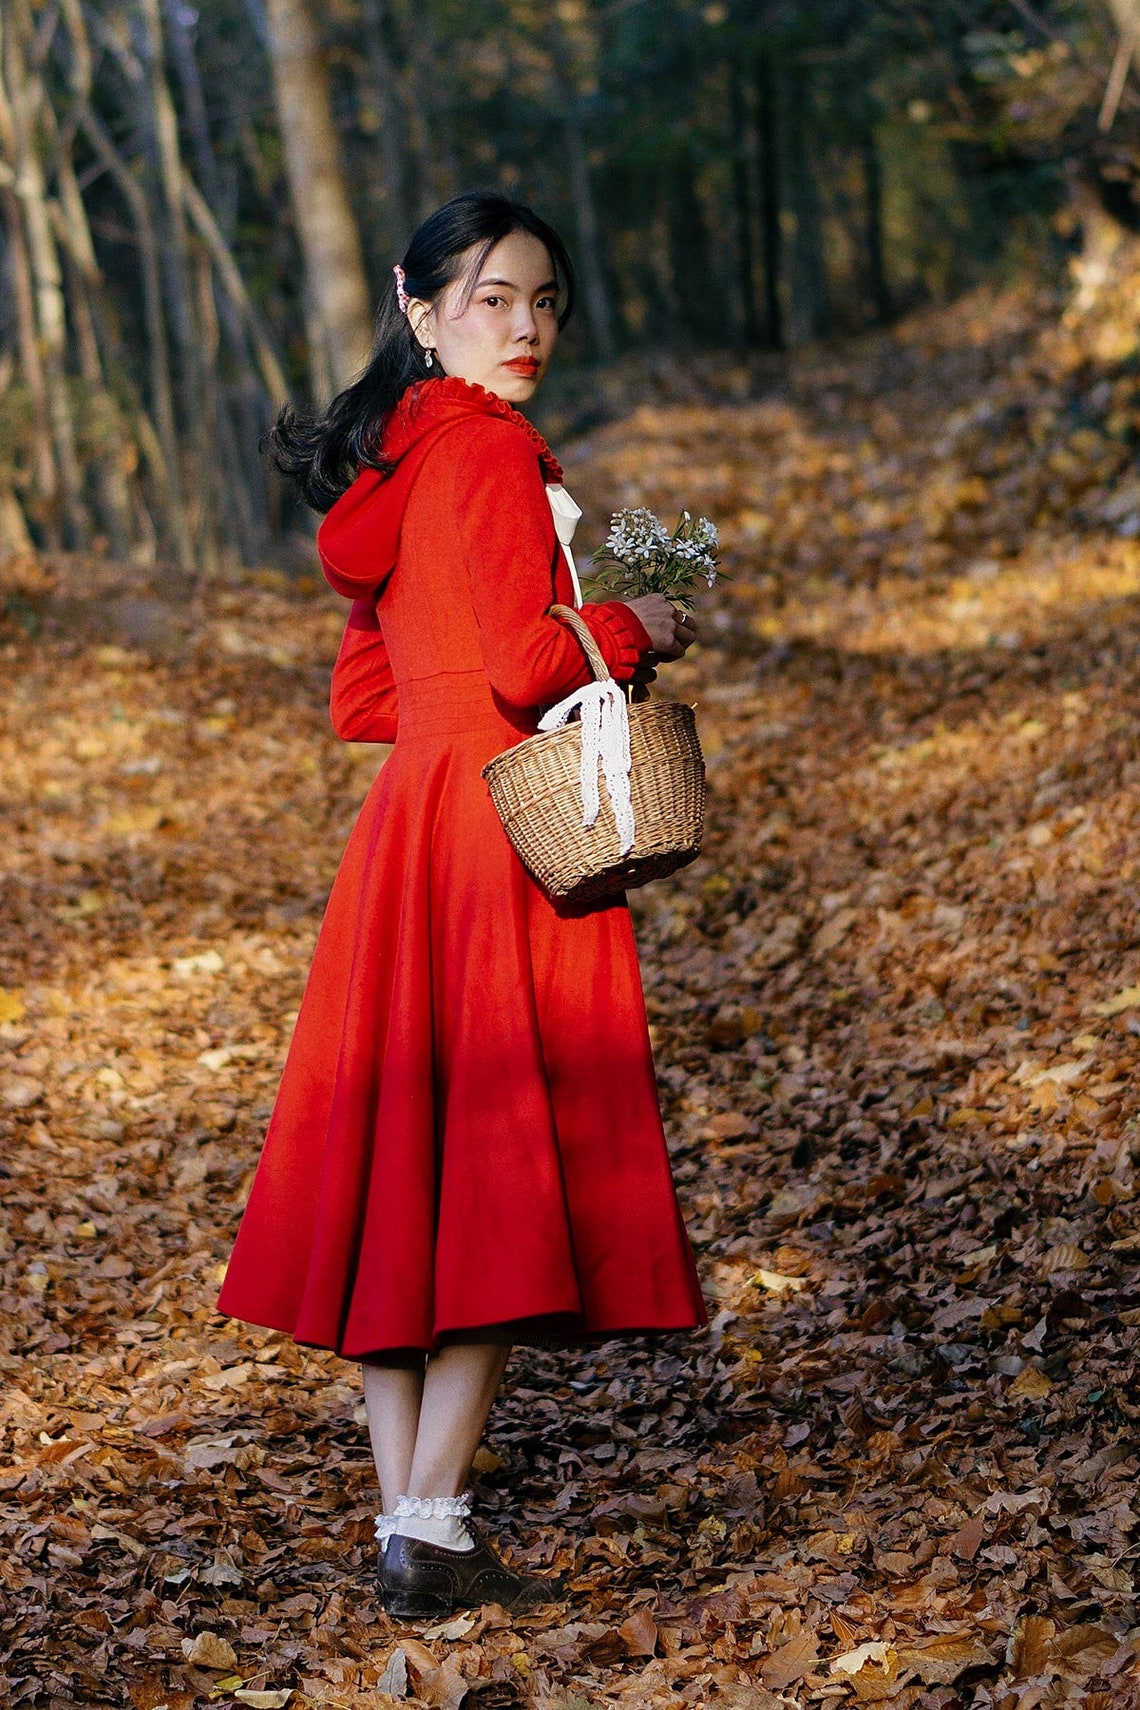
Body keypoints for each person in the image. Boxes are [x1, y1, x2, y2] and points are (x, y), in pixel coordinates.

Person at [216, 190, 706, 1620]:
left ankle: (411, 1519)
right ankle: (428, 1520)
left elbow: (364, 694)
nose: (526, 327)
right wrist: (629, 627)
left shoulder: (397, 461)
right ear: (418, 308)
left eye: (544, 301)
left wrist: (451, 698)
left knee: (403, 1167)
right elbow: (518, 666)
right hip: (494, 837)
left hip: (409, 832)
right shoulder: (488, 447)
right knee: (498, 1159)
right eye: (493, 299)